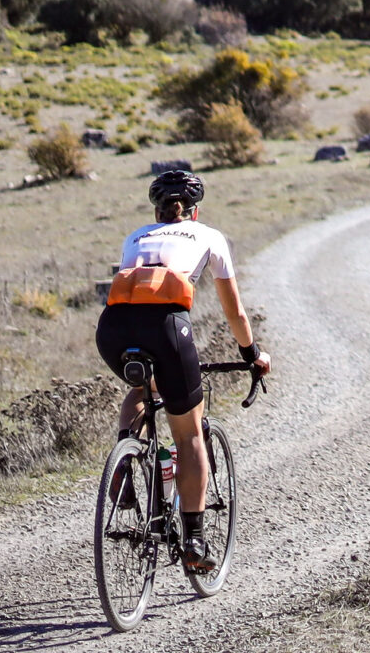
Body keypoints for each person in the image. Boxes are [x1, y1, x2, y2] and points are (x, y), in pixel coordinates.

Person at [95, 167, 270, 574]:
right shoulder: (208, 236)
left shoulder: (134, 237)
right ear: (194, 211)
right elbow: (236, 311)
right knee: (189, 433)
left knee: (142, 388)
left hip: (113, 331)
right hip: (167, 329)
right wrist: (252, 354)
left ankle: (124, 459)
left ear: (157, 211)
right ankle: (193, 538)